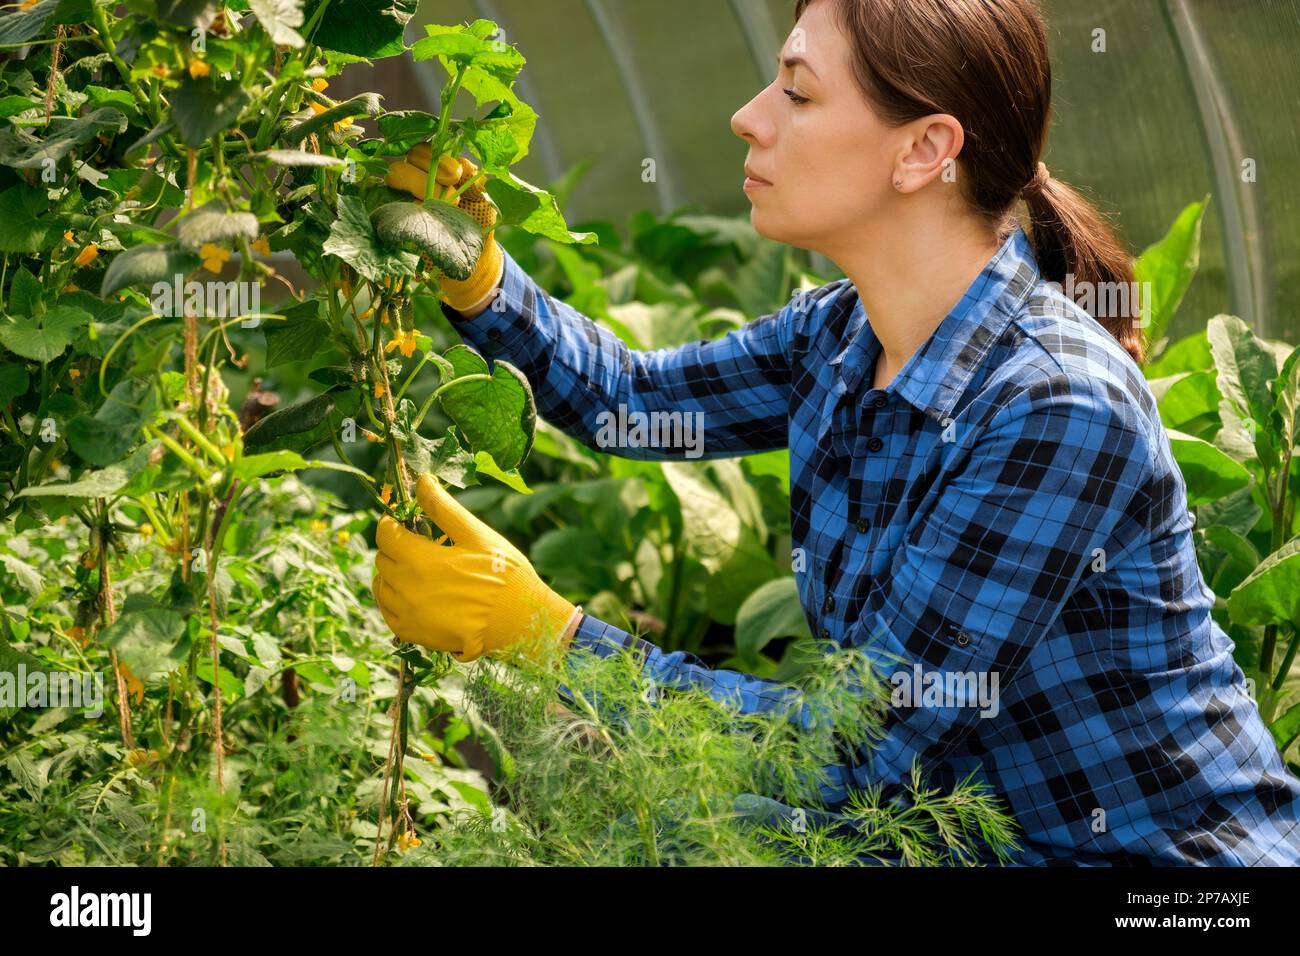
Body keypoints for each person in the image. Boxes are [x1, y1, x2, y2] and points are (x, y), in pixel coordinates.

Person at [371, 0, 1300, 865]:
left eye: (798, 92)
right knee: (660, 828)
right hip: (967, 836)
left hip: (1163, 871)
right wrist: (477, 275)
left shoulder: (1055, 406)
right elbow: (630, 398)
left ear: (924, 150)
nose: (748, 116)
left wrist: (550, 636)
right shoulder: (839, 336)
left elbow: (847, 749)